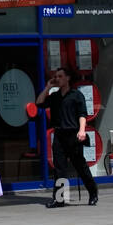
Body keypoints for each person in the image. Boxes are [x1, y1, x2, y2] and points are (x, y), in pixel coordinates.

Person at [36, 66, 99, 207]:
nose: (57, 79)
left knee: (80, 166)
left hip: (73, 135)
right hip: (59, 135)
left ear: (68, 78)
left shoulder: (76, 95)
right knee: (59, 169)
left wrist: (82, 131)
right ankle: (59, 199)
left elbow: (83, 114)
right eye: (56, 77)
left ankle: (93, 192)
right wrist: (48, 87)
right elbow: (39, 102)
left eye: (60, 76)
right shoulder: (55, 96)